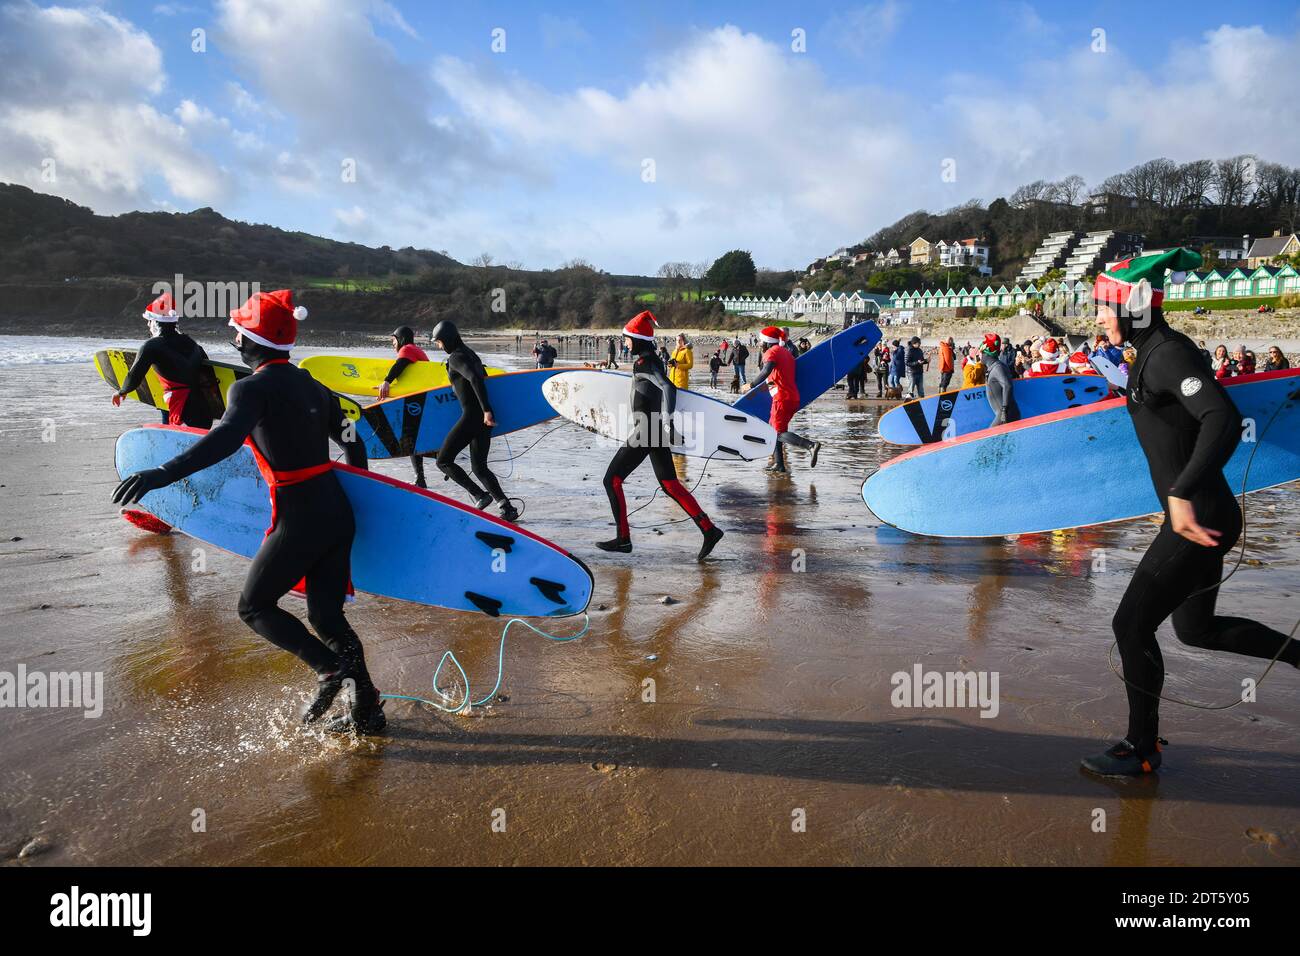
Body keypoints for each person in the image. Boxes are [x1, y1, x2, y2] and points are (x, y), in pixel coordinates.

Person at [112, 290, 385, 734]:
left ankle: (331, 670)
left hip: (298, 514)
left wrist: (164, 472)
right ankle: (368, 710)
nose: (233, 340)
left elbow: (224, 441)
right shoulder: (317, 387)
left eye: (236, 333)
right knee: (327, 617)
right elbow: (353, 441)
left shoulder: (250, 388)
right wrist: (363, 491)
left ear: (246, 341)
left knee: (255, 607)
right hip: (336, 508)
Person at [1082, 249, 1297, 777]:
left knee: (1129, 623)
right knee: (1195, 631)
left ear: (1132, 305)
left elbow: (1221, 419)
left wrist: (1180, 492)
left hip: (1198, 517)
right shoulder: (1146, 355)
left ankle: (1141, 748)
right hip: (1203, 514)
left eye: (1104, 308)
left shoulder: (1168, 353)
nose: (1098, 317)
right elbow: (1172, 426)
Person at [596, 311, 723, 561]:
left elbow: (668, 387)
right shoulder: (651, 359)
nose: (626, 343)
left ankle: (623, 539)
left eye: (627, 339)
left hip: (647, 430)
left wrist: (669, 421)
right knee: (670, 485)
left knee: (611, 480)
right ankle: (709, 529)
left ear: (637, 339)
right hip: (651, 429)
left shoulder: (644, 363)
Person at [430, 320, 518, 521]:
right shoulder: (471, 354)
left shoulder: (456, 357)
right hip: (483, 419)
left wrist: (485, 410)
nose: (438, 345)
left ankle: (480, 495)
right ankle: (506, 507)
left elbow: (475, 380)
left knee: (443, 460)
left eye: (439, 342)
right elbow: (484, 379)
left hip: (472, 417)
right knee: (479, 467)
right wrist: (488, 412)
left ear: (447, 340)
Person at [111, 292, 214, 429]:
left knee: (179, 447)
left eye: (150, 320)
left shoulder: (152, 346)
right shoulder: (192, 343)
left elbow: (135, 374)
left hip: (181, 411)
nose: (148, 324)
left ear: (156, 322)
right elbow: (208, 370)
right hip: (204, 410)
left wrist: (121, 392)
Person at [743, 327, 820, 474]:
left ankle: (810, 445)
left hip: (782, 398)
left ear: (766, 342)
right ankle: (779, 464)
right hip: (788, 397)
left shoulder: (772, 352)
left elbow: (766, 371)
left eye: (761, 341)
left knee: (777, 433)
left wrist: (750, 385)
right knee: (775, 430)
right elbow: (777, 375)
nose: (759, 343)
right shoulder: (785, 352)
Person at [377, 325, 432, 487]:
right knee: (412, 438)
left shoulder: (407, 349)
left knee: (411, 438)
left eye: (393, 340)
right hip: (421, 399)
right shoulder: (416, 350)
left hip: (421, 400)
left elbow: (399, 366)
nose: (392, 344)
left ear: (400, 339)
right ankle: (420, 479)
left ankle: (430, 470)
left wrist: (386, 381)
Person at [979, 334, 1018, 425]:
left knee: (992, 438)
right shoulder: (993, 366)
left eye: (981, 352)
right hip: (1004, 414)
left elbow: (1007, 385)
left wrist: (1004, 410)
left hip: (1005, 415)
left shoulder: (997, 367)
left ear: (986, 354)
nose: (979, 355)